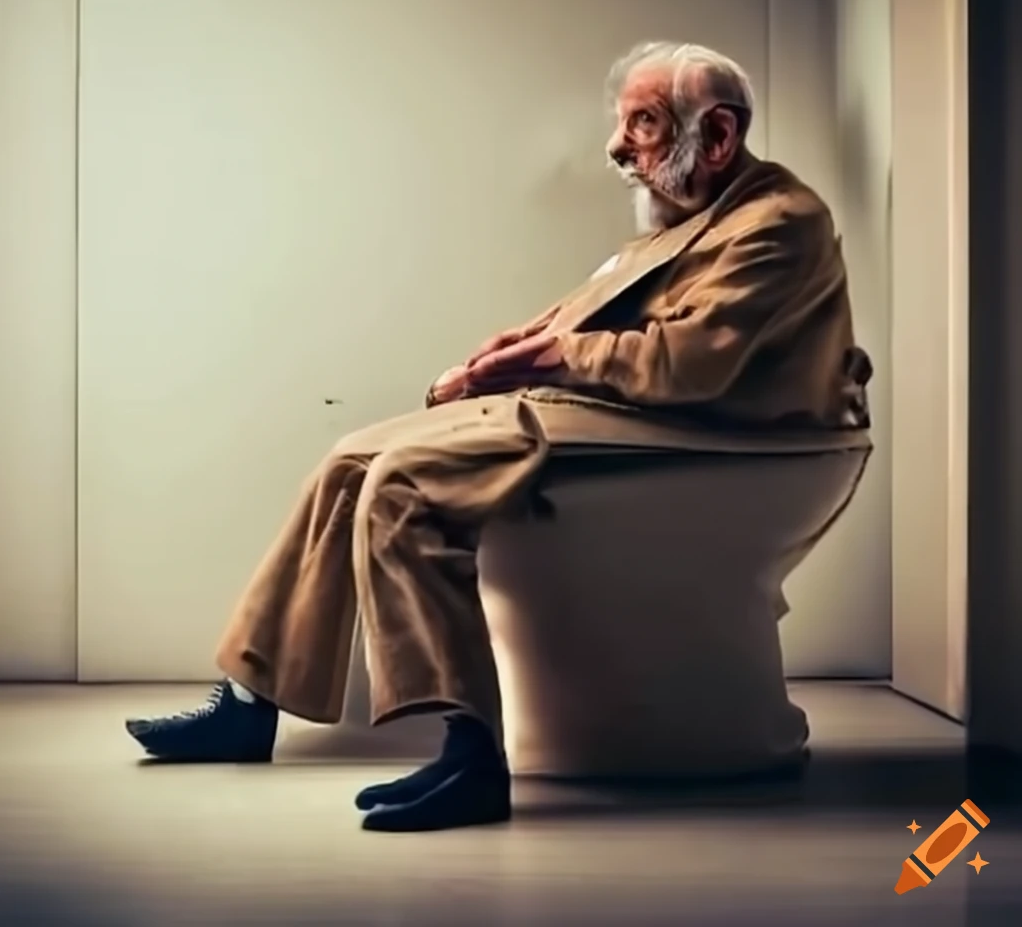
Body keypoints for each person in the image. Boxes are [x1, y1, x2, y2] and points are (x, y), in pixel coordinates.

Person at [125, 41, 872, 832]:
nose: (617, 147)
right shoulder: (693, 222)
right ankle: (249, 703)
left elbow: (687, 364)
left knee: (406, 483)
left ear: (717, 136)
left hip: (726, 434)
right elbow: (580, 321)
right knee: (351, 460)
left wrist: (536, 362)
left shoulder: (781, 222)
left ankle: (470, 756)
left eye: (643, 124)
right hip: (652, 412)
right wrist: (498, 359)